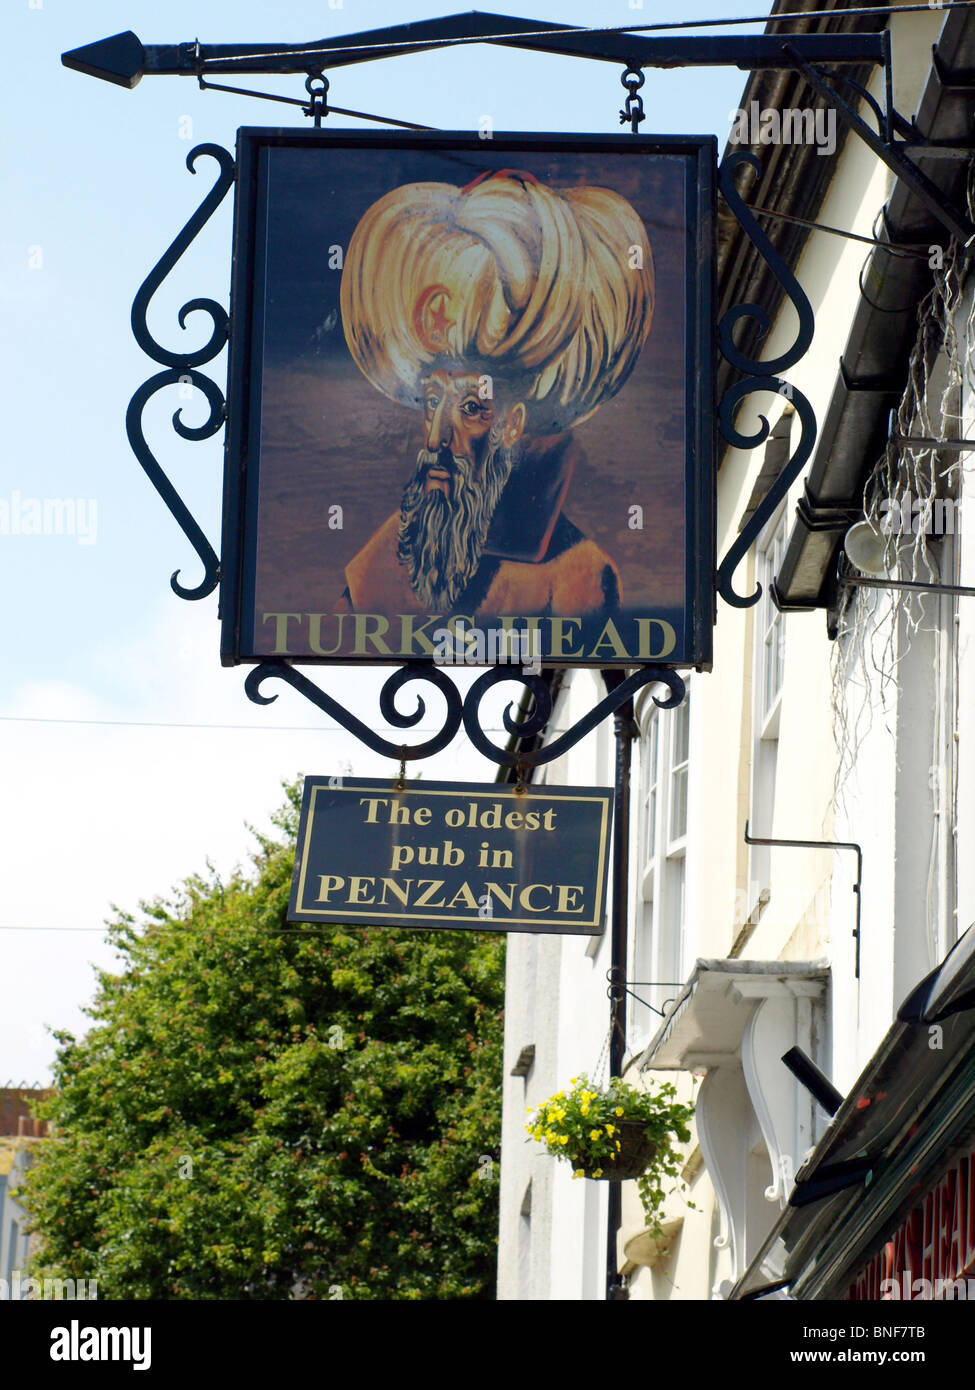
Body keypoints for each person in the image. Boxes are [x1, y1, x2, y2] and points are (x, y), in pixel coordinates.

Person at [337, 168, 654, 617]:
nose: (436, 440)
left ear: (513, 424)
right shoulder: (372, 575)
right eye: (432, 403)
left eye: (469, 408)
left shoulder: (579, 579)